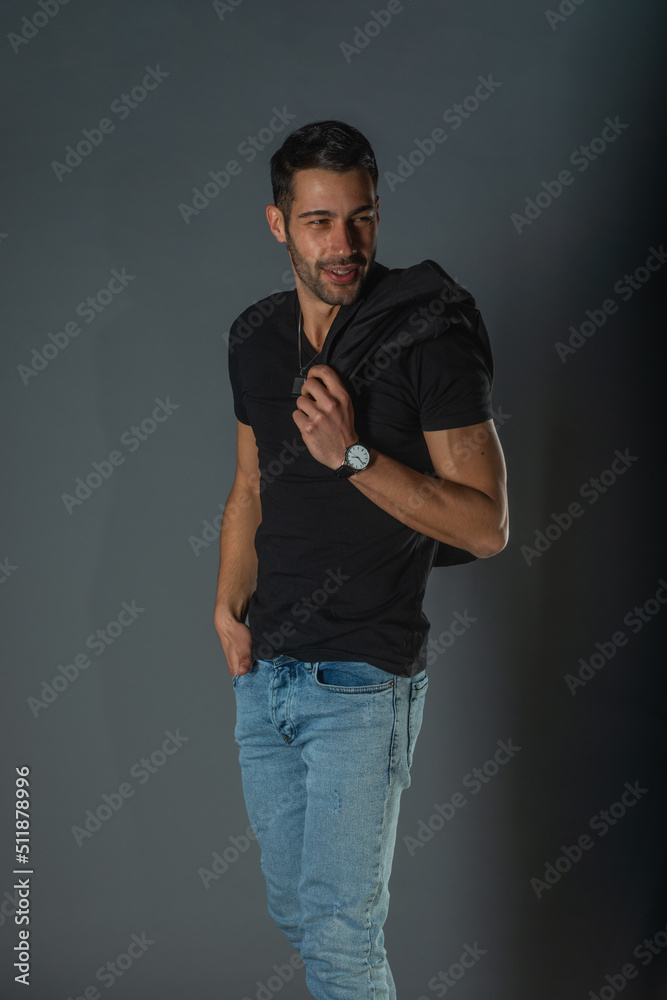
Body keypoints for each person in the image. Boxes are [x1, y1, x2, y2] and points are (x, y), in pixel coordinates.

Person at [214, 119, 508, 1000]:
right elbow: (248, 487)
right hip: (266, 675)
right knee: (298, 913)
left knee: (341, 938)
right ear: (277, 224)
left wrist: (352, 455)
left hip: (361, 678)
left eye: (360, 218)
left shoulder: (429, 339)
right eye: (317, 221)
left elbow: (485, 526)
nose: (342, 244)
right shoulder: (255, 339)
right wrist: (227, 607)